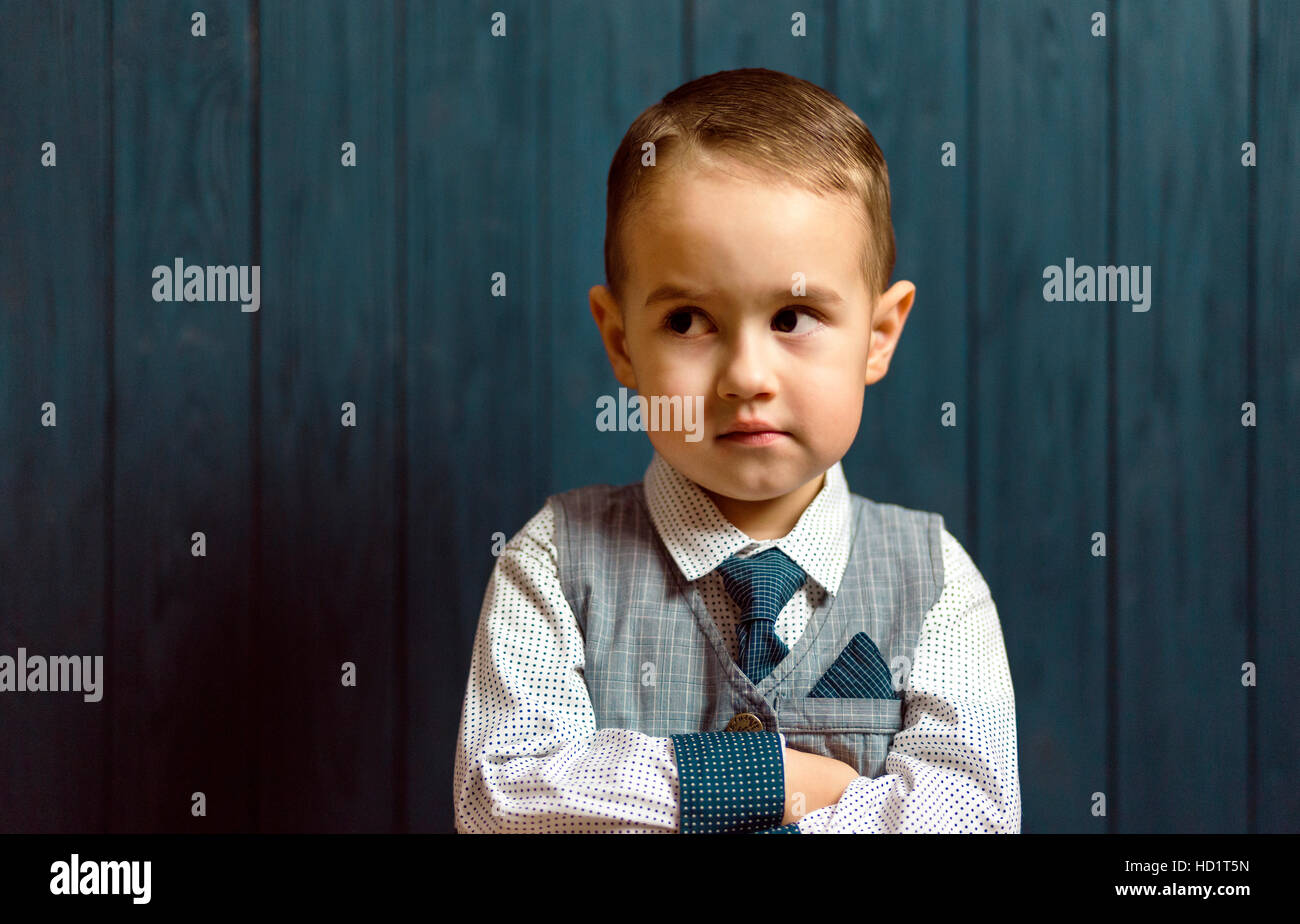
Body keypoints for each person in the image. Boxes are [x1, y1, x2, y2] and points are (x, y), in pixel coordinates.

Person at [453, 67, 1020, 833]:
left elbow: (973, 816)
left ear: (878, 336)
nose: (747, 377)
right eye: (688, 321)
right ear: (621, 343)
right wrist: (769, 781)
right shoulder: (555, 563)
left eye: (793, 316)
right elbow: (503, 800)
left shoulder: (936, 581)